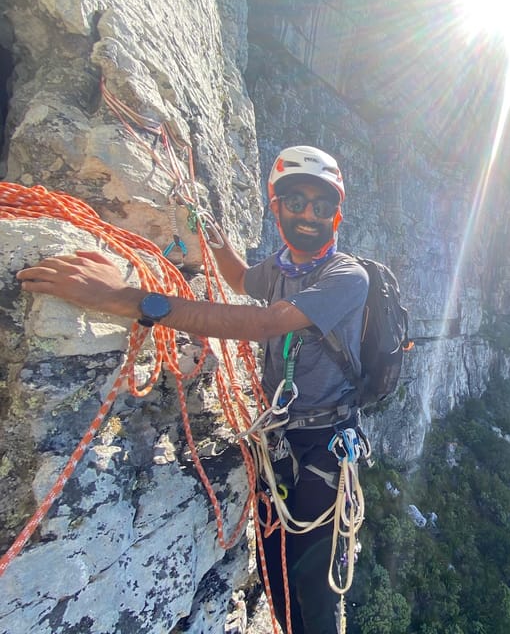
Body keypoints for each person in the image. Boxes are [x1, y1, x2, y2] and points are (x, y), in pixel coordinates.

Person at [16, 145, 369, 634]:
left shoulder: (347, 276)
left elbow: (267, 322)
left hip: (323, 457)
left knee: (317, 593)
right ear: (276, 206)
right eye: (296, 201)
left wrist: (123, 298)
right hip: (282, 444)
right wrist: (212, 234)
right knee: (279, 580)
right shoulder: (285, 267)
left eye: (322, 206)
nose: (309, 214)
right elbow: (243, 280)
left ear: (337, 216)